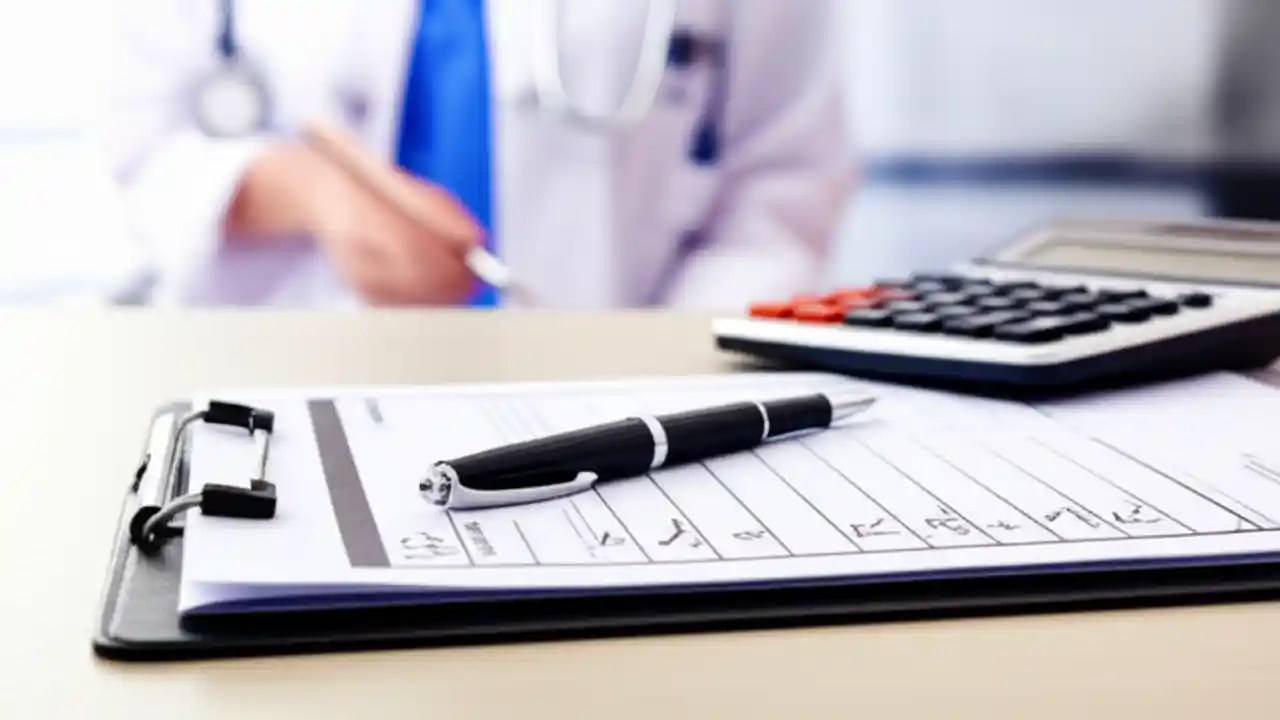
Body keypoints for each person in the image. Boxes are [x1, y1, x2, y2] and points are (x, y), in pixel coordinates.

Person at [100, 0, 852, 308]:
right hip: (276, 386)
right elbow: (141, 145)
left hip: (625, 414)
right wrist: (308, 192)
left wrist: (681, 382)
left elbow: (781, 181)